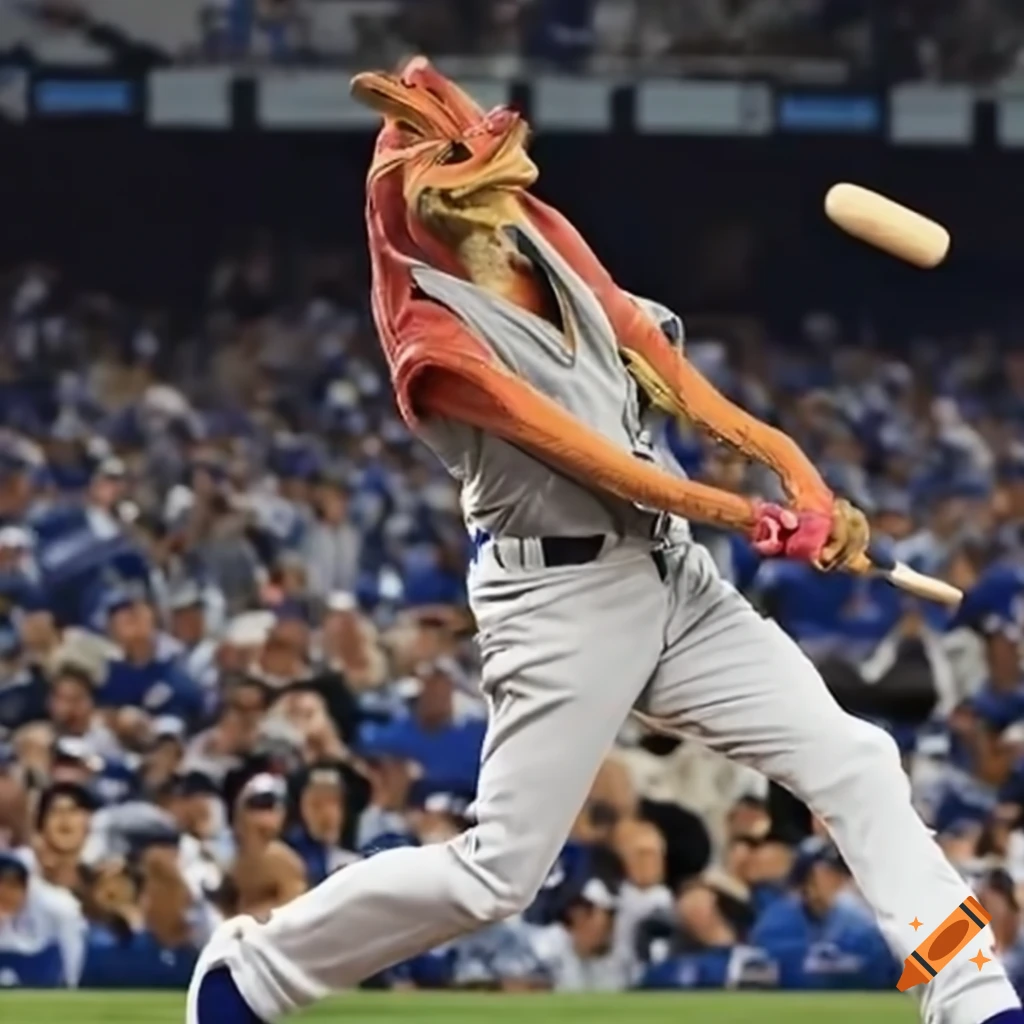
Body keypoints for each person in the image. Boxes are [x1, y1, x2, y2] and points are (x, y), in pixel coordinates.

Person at [187, 58, 1024, 1024]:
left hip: (670, 573)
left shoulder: (538, 234)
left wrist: (800, 477)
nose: (501, 179)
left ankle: (970, 994)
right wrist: (756, 520)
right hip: (560, 601)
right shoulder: (431, 338)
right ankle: (254, 976)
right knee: (498, 876)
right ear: (416, 205)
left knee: (854, 758)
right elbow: (595, 462)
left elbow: (668, 372)